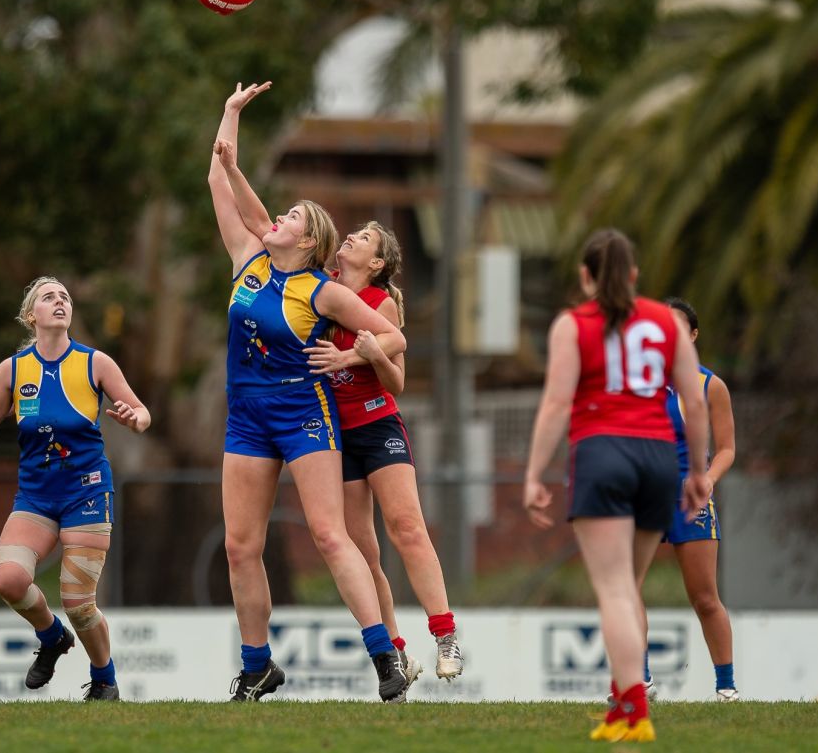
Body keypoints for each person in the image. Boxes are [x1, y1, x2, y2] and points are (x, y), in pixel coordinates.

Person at [210, 81, 412, 703]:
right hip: (246, 415)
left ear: (309, 242)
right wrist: (230, 115)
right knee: (240, 545)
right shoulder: (248, 258)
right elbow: (221, 180)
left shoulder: (322, 292)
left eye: (291, 216)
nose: (278, 219)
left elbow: (394, 338)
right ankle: (256, 667)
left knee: (330, 536)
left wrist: (352, 353)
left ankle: (385, 659)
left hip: (303, 414)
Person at [228, 191, 464, 681]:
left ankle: (446, 635)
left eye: (366, 238)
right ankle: (394, 650)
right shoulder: (321, 285)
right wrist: (228, 164)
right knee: (361, 547)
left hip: (376, 423)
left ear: (377, 262)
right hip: (332, 430)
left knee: (406, 527)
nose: (354, 236)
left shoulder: (380, 303)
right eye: (353, 233)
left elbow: (396, 380)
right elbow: (255, 223)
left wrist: (354, 357)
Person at [522, 229, 709, 743]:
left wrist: (535, 473)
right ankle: (624, 709)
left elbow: (557, 404)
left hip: (602, 450)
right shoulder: (667, 323)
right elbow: (694, 401)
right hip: (658, 458)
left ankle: (634, 709)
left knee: (614, 591)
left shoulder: (573, 323)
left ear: (585, 276)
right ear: (633, 276)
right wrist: (697, 471)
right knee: (628, 587)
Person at [0, 277, 149, 701]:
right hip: (36, 496)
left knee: (79, 602)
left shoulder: (95, 362)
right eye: (49, 297)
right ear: (33, 316)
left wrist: (134, 419)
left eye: (65, 296)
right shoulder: (12, 369)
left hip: (87, 491)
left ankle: (104, 679)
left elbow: (142, 412)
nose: (60, 301)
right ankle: (51, 637)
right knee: (9, 579)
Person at [640, 297, 738, 701]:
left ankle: (726, 687)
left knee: (704, 597)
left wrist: (707, 479)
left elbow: (728, 447)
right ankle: (638, 683)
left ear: (694, 335)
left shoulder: (708, 385)